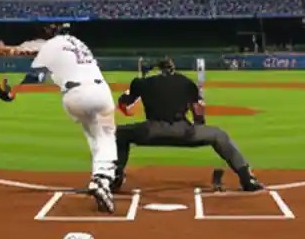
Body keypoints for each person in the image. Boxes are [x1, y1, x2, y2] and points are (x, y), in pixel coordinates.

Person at [0, 25, 118, 214]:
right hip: (98, 91)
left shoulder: (51, 46)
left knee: (95, 138)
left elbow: (37, 75)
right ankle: (102, 179)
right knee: (106, 137)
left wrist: (12, 92)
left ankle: (101, 178)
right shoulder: (80, 44)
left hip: (72, 97)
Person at [111, 58, 262, 193]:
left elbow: (124, 103)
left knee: (120, 134)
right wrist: (198, 127)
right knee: (219, 135)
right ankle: (246, 178)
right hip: (183, 131)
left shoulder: (142, 83)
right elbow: (198, 113)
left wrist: (137, 84)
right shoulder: (186, 82)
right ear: (172, 68)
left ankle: (116, 176)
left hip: (151, 131)